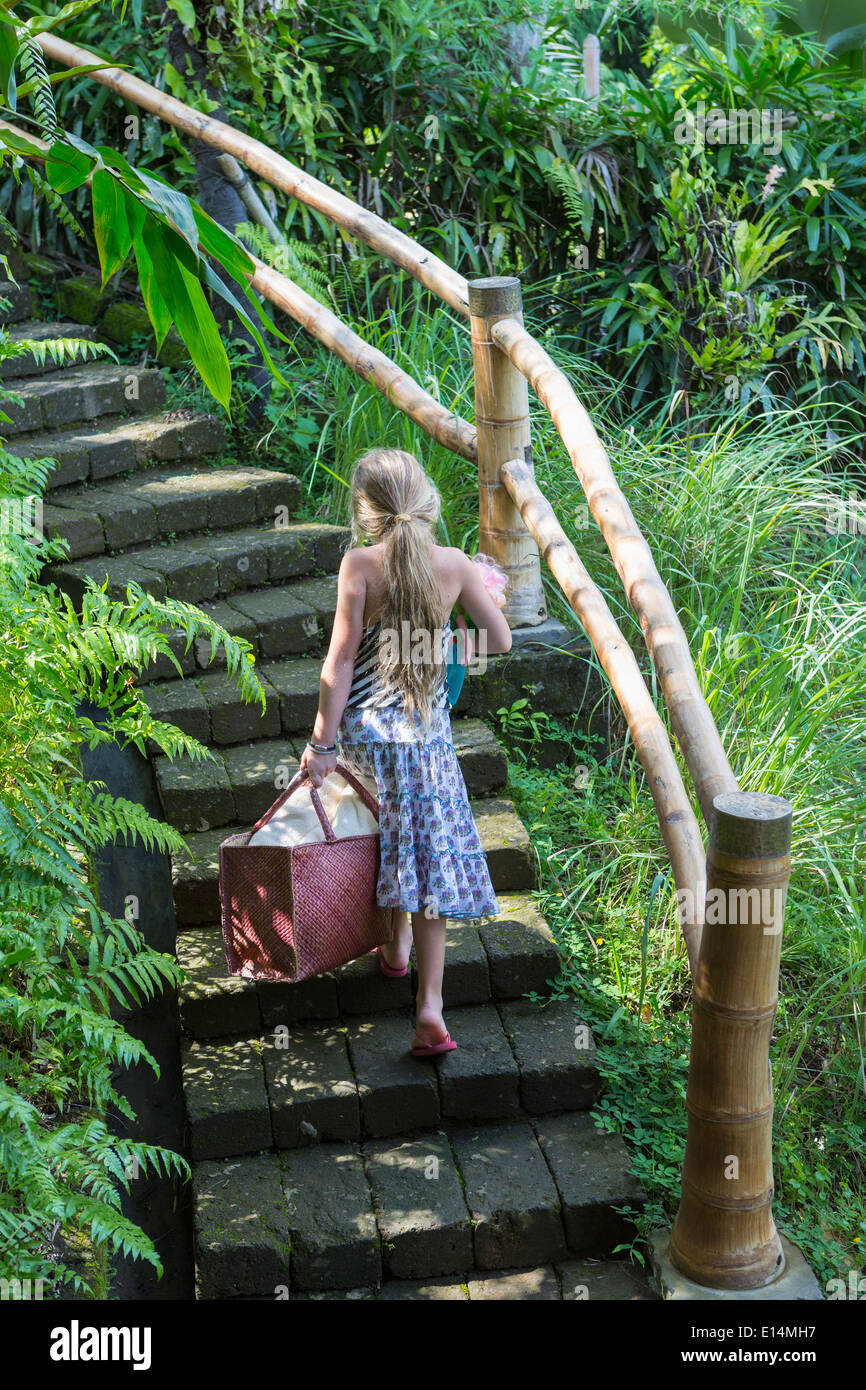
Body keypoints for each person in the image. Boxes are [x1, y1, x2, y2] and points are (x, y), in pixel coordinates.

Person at [299, 447, 512, 1056]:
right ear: (426, 502)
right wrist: (442, 646)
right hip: (426, 743)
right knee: (429, 858)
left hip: (368, 737)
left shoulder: (359, 565)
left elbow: (338, 664)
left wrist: (323, 744)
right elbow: (498, 639)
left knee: (383, 840)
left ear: (365, 510)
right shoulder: (453, 565)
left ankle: (392, 951)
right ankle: (430, 1008)